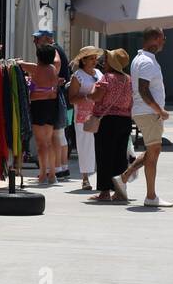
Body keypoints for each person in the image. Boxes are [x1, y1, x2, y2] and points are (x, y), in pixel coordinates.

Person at [127, 27, 172, 207]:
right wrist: (159, 110)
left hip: (144, 112)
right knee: (153, 154)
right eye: (162, 38)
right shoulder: (146, 61)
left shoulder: (141, 58)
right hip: (148, 112)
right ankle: (151, 196)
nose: (164, 42)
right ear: (154, 38)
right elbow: (144, 90)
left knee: (152, 151)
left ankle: (124, 177)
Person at [87, 48, 135, 203]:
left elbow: (97, 96)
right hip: (125, 120)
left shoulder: (107, 77)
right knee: (120, 156)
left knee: (104, 156)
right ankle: (120, 191)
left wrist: (89, 94)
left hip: (107, 121)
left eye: (107, 60)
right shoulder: (128, 79)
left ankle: (105, 192)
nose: (104, 63)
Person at [20, 44, 61, 185]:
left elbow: (20, 64)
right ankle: (52, 174)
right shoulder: (54, 69)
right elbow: (57, 58)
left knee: (40, 143)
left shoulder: (35, 68)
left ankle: (43, 174)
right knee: (49, 142)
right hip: (51, 106)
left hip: (38, 106)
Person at [34, 29, 72, 180]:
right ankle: (60, 168)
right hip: (57, 96)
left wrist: (45, 78)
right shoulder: (57, 49)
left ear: (47, 38)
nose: (35, 42)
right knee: (58, 135)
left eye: (38, 39)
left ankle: (55, 169)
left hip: (53, 98)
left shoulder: (53, 51)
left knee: (54, 137)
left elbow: (55, 67)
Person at [69, 46, 103, 190]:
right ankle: (85, 178)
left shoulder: (99, 73)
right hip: (84, 115)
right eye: (91, 58)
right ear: (83, 60)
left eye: (95, 58)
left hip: (100, 114)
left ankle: (101, 176)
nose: (95, 61)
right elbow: (71, 98)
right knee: (84, 145)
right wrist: (89, 97)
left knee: (99, 146)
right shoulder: (78, 76)